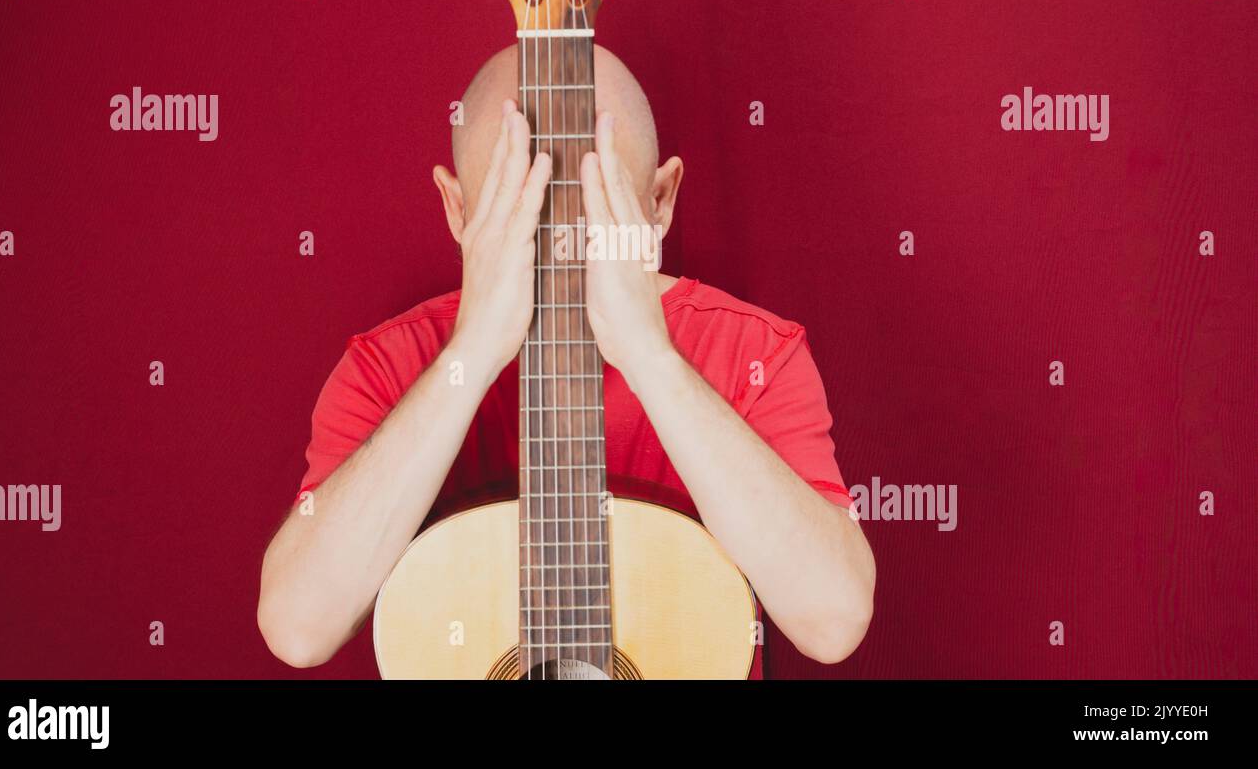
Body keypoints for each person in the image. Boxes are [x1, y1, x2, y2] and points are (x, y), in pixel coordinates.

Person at [257, 45, 876, 673]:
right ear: (458, 209)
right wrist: (471, 351)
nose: (558, 250)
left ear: (660, 201)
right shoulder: (388, 366)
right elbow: (298, 627)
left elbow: (832, 620)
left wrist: (650, 356)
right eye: (519, 213)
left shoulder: (756, 355)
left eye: (596, 215)